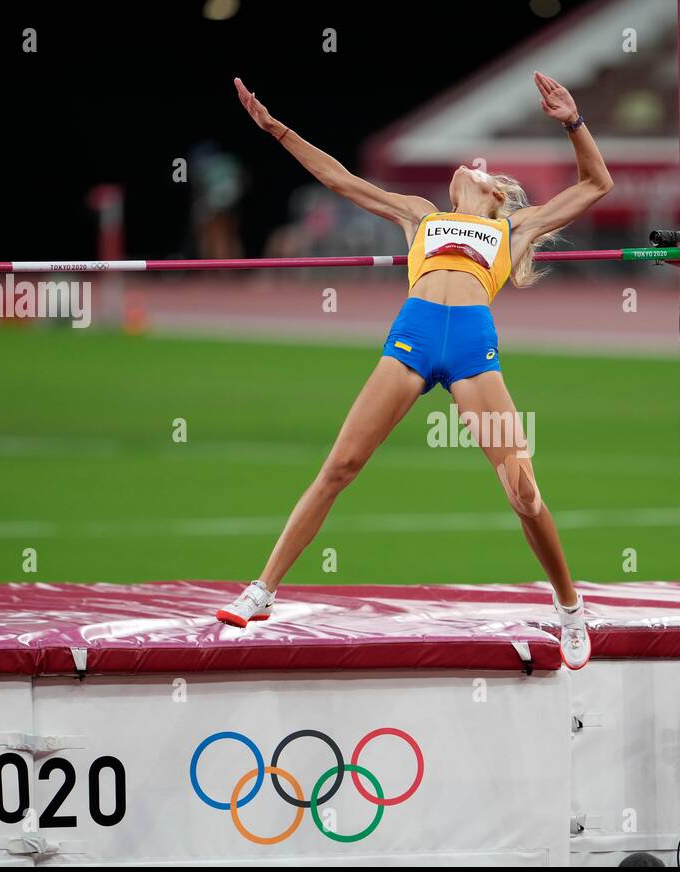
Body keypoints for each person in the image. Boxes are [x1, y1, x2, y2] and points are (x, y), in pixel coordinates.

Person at [215, 72, 613, 669]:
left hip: (473, 350)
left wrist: (572, 122)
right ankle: (262, 591)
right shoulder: (419, 215)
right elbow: (338, 178)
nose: (468, 166)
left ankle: (569, 608)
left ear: (496, 193)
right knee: (340, 465)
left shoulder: (512, 228)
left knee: (524, 491)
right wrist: (277, 130)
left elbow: (597, 183)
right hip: (412, 338)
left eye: (479, 168)